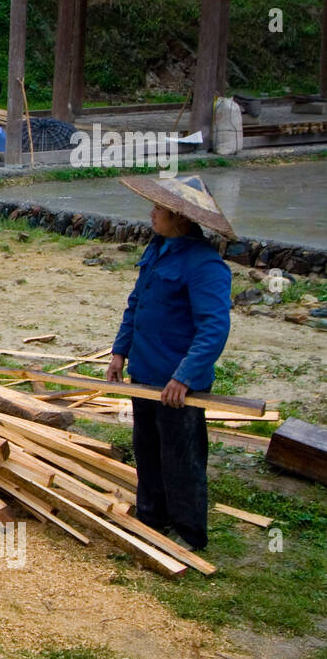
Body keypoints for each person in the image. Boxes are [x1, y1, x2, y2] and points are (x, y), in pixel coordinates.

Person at [109, 175, 235, 552]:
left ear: (180, 217)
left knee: (182, 457)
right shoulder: (157, 249)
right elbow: (137, 303)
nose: (152, 214)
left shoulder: (205, 265)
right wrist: (120, 350)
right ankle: (152, 518)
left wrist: (185, 376)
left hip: (177, 382)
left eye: (159, 210)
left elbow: (213, 328)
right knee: (146, 448)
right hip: (144, 373)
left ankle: (189, 533)